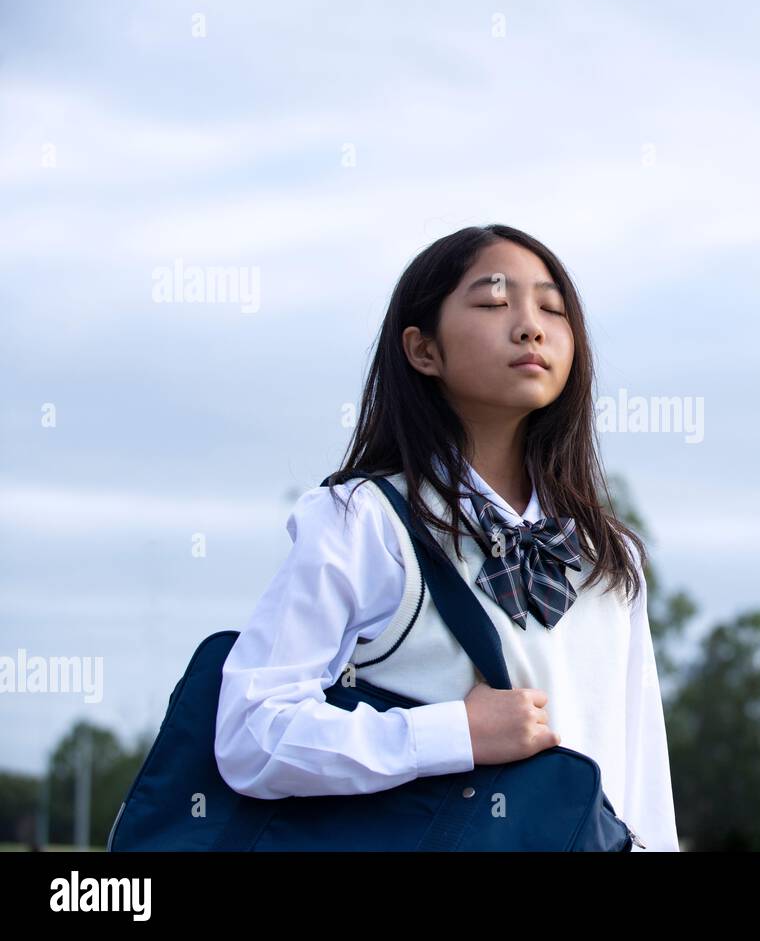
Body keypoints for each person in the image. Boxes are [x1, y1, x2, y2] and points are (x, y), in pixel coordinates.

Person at [213, 224, 679, 851]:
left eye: (553, 308)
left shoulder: (606, 555)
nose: (529, 326)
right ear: (423, 350)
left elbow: (641, 776)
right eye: (492, 303)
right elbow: (252, 732)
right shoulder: (362, 520)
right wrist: (453, 732)